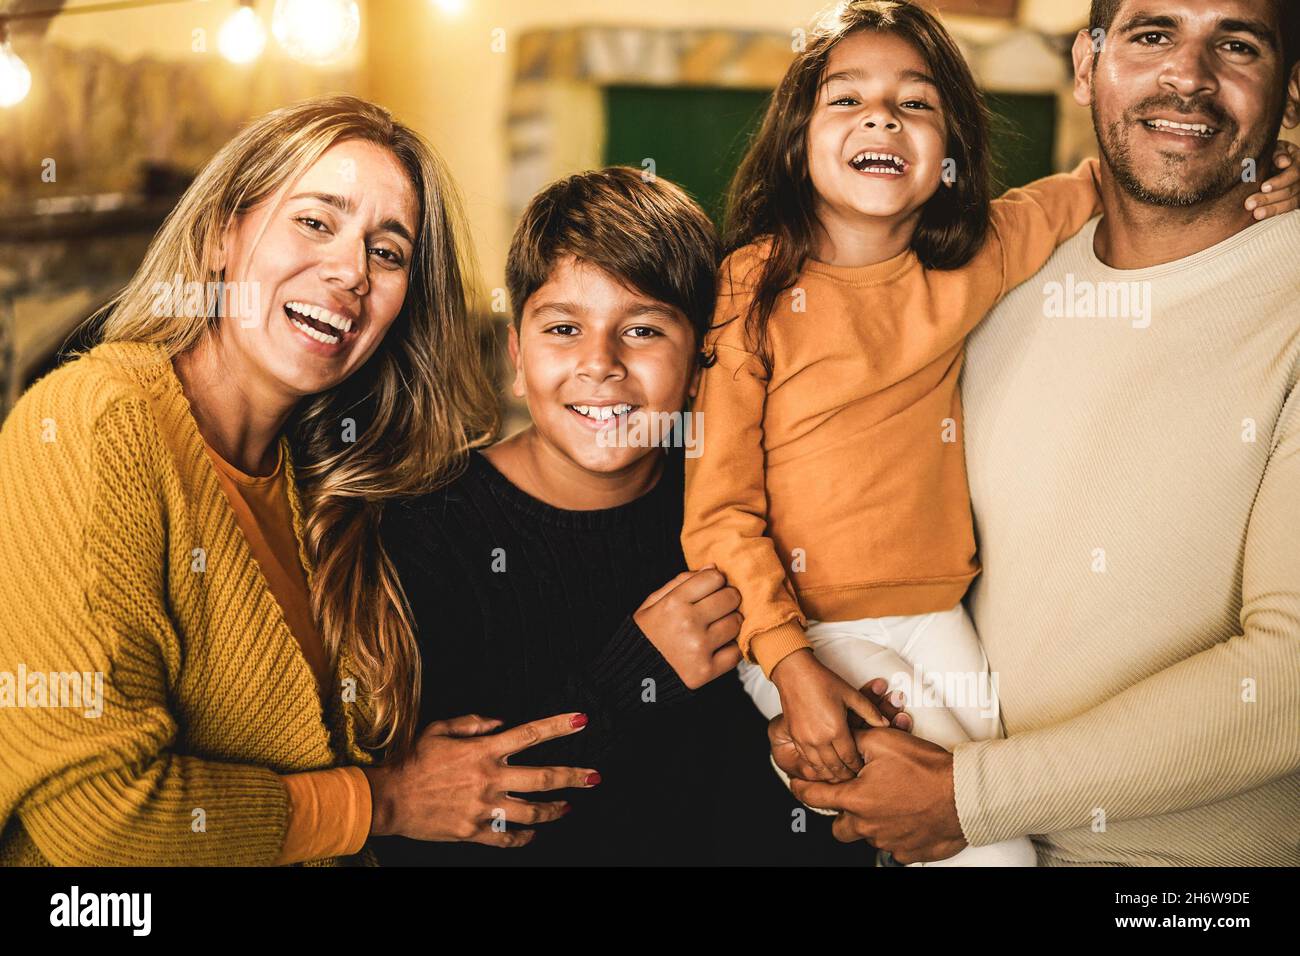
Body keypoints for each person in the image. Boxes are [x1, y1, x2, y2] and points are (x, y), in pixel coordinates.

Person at [680, 0, 1300, 866]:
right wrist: (787, 665)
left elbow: (1289, 683)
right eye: (1152, 34)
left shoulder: (977, 260)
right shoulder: (773, 288)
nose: (1185, 76)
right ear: (1086, 65)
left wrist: (1268, 167)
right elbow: (719, 507)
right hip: (821, 637)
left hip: (1179, 874)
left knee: (984, 838)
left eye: (1236, 44)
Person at [0, 95, 588, 865]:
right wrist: (387, 800)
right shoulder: (95, 424)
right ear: (220, 235)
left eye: (388, 251)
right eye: (316, 221)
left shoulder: (329, 477)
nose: (348, 271)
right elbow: (101, 819)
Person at [371, 167, 897, 865]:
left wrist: (803, 754)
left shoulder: (749, 515)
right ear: (517, 357)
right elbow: (451, 826)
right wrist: (635, 680)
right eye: (564, 327)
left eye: (643, 329)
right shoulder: (426, 533)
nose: (600, 364)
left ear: (700, 364)